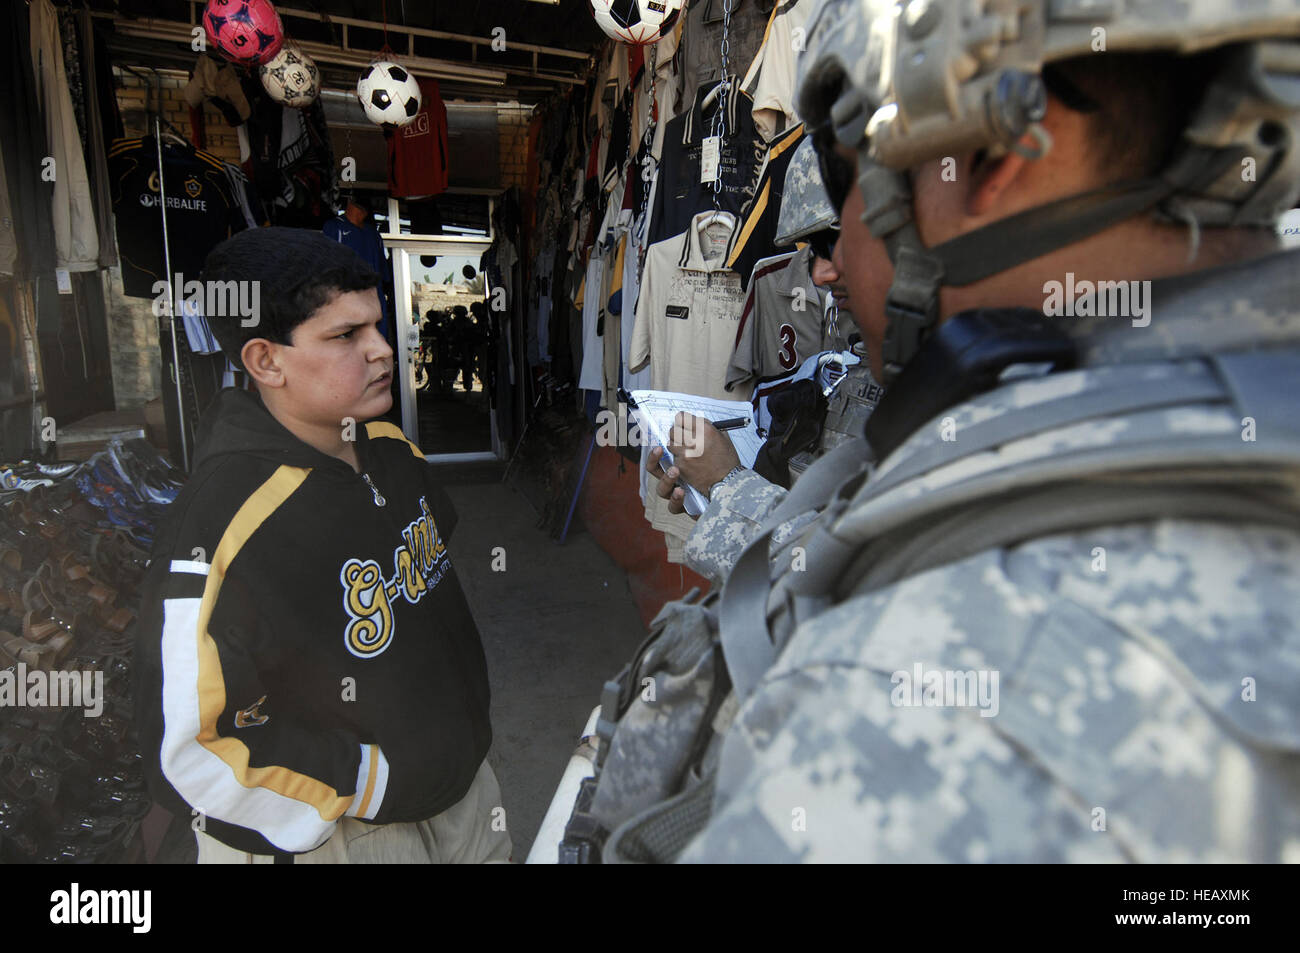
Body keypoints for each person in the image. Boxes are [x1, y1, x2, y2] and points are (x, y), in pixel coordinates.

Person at [587, 0, 1300, 862]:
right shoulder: (1192, 422)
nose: (832, 262)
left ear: (990, 157)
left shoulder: (919, 722)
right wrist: (734, 489)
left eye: (848, 186)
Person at [134, 228, 511, 864]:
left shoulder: (394, 452)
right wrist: (370, 782)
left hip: (464, 795)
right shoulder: (221, 521)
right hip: (342, 833)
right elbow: (188, 751)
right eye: (345, 336)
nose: (383, 351)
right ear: (266, 361)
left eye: (377, 326)